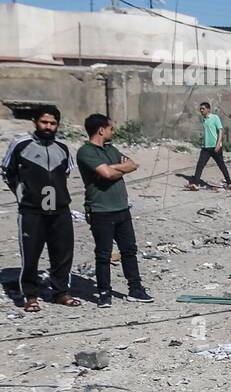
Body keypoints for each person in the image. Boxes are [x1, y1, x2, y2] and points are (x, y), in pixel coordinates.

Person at [2, 105, 79, 311]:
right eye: (44, 122)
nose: (48, 126)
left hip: (60, 209)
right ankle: (30, 296)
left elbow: (67, 172)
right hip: (31, 211)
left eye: (53, 123)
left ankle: (61, 292)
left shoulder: (62, 147)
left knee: (63, 253)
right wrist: (22, 193)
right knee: (30, 254)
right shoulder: (20, 145)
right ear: (35, 122)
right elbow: (7, 171)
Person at [76, 114, 153, 307]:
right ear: (101, 130)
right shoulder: (86, 152)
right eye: (111, 128)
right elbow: (108, 174)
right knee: (103, 254)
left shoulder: (111, 149)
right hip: (101, 211)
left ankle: (135, 289)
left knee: (129, 250)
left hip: (121, 209)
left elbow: (132, 164)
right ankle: (104, 293)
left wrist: (113, 168)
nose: (114, 131)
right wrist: (118, 168)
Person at [188, 101, 231, 190]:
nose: (201, 110)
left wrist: (218, 144)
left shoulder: (215, 117)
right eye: (200, 109)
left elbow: (220, 131)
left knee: (221, 165)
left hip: (215, 147)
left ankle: (229, 183)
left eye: (203, 109)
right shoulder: (204, 119)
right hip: (206, 147)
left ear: (208, 109)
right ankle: (196, 184)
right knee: (200, 165)